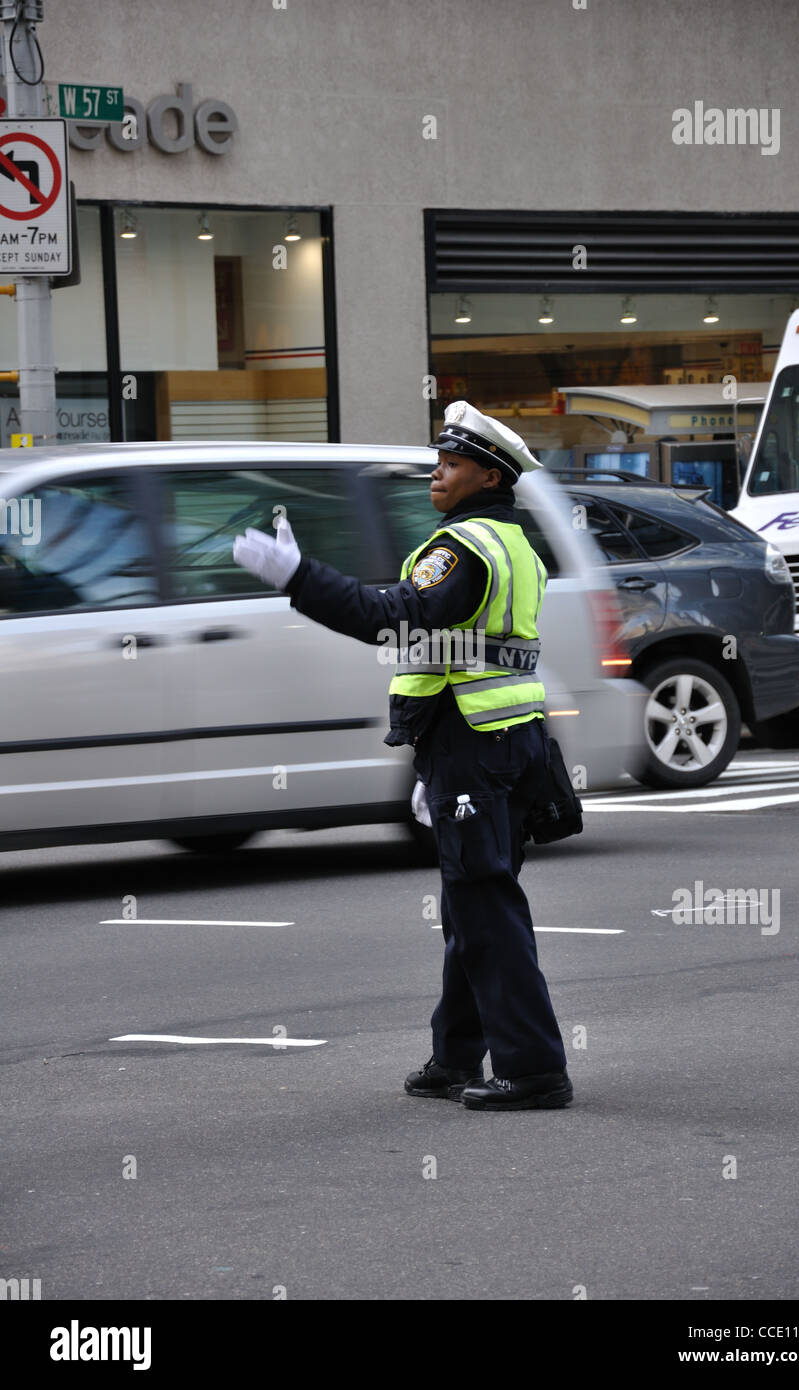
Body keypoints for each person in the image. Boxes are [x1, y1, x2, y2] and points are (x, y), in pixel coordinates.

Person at [233, 402, 572, 1111]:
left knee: (483, 906)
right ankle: (456, 1057)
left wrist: (298, 577)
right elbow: (470, 655)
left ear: (487, 474)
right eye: (435, 463)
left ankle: (533, 1070)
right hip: (500, 741)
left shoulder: (465, 546)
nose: (435, 476)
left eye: (450, 465)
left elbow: (390, 617)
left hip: (473, 747)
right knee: (470, 905)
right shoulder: (513, 544)